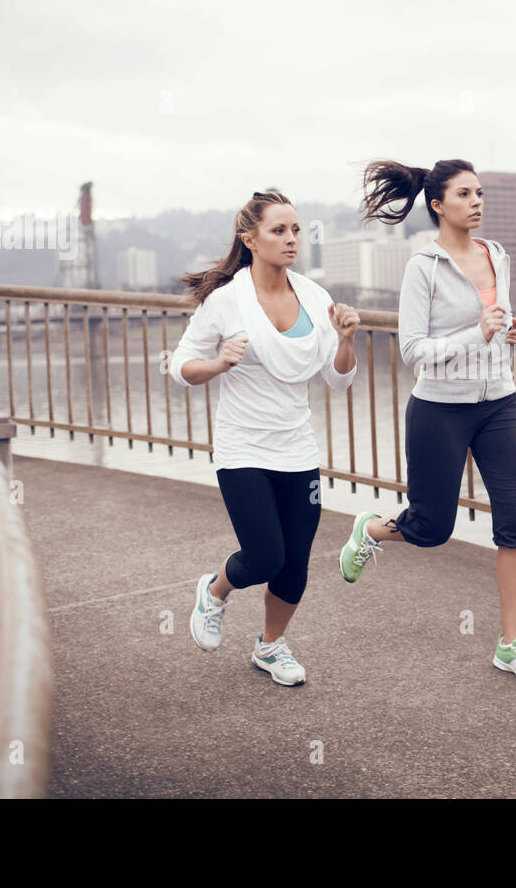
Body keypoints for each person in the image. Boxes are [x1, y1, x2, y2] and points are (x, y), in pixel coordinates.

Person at [337, 159, 516, 686]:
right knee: (433, 528)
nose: (477, 202)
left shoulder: (496, 254)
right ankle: (372, 529)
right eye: (464, 194)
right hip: (439, 409)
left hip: (500, 403)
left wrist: (513, 332)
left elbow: (497, 321)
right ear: (438, 205)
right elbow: (413, 351)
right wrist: (475, 334)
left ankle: (512, 643)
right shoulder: (422, 268)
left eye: (479, 193)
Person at [171, 190, 359, 686]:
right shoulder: (226, 301)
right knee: (265, 556)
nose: (291, 238)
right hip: (243, 449)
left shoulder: (315, 298)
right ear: (249, 239)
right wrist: (218, 362)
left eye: (296, 230)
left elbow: (337, 381)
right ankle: (214, 592)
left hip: (297, 449)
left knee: (295, 563)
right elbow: (180, 366)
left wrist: (346, 340)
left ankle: (270, 647)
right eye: (279, 230)